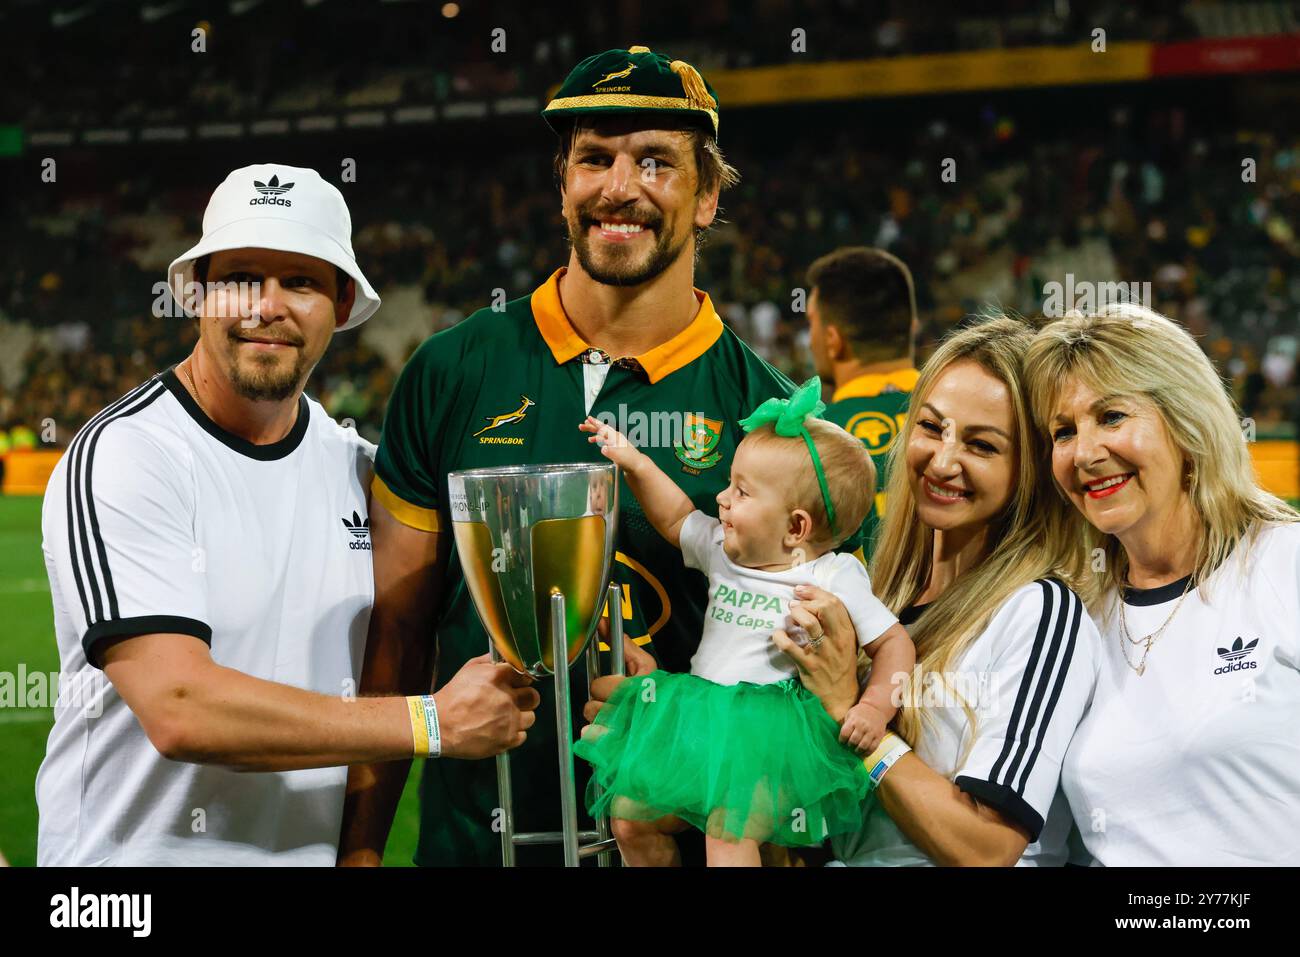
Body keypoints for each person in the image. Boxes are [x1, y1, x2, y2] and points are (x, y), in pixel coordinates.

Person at [338, 46, 801, 867]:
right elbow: (399, 632)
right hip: (474, 847)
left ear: (708, 197)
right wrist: (361, 852)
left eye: (655, 161)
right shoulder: (452, 369)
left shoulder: (768, 413)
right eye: (594, 158)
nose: (619, 187)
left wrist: (683, 715)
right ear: (562, 186)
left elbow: (802, 683)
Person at [36, 164, 537, 866]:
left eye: (300, 281)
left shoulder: (363, 473)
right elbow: (180, 707)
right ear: (199, 294)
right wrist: (430, 721)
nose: (267, 306)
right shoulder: (127, 453)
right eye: (242, 278)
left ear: (341, 302)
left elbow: (425, 646)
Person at [773, 316, 1100, 865]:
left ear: (1030, 469)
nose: (943, 461)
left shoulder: (1039, 611)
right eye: (931, 427)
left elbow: (987, 848)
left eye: (982, 445)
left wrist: (852, 713)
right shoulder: (880, 597)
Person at [575, 379, 913, 866]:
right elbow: (675, 518)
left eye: (741, 491)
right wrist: (636, 463)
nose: (722, 498)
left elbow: (894, 643)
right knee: (630, 816)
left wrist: (875, 708)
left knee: (728, 832)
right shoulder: (723, 549)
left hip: (772, 732)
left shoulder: (831, 575)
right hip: (699, 715)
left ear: (796, 527)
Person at [1025, 304, 1300, 865]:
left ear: (1185, 420)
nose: (1085, 454)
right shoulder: (1073, 619)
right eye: (1063, 432)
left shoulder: (1284, 561)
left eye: (1111, 416)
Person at [805, 247, 919, 560]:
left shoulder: (809, 443)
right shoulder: (969, 418)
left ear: (833, 340)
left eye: (811, 323)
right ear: (912, 327)